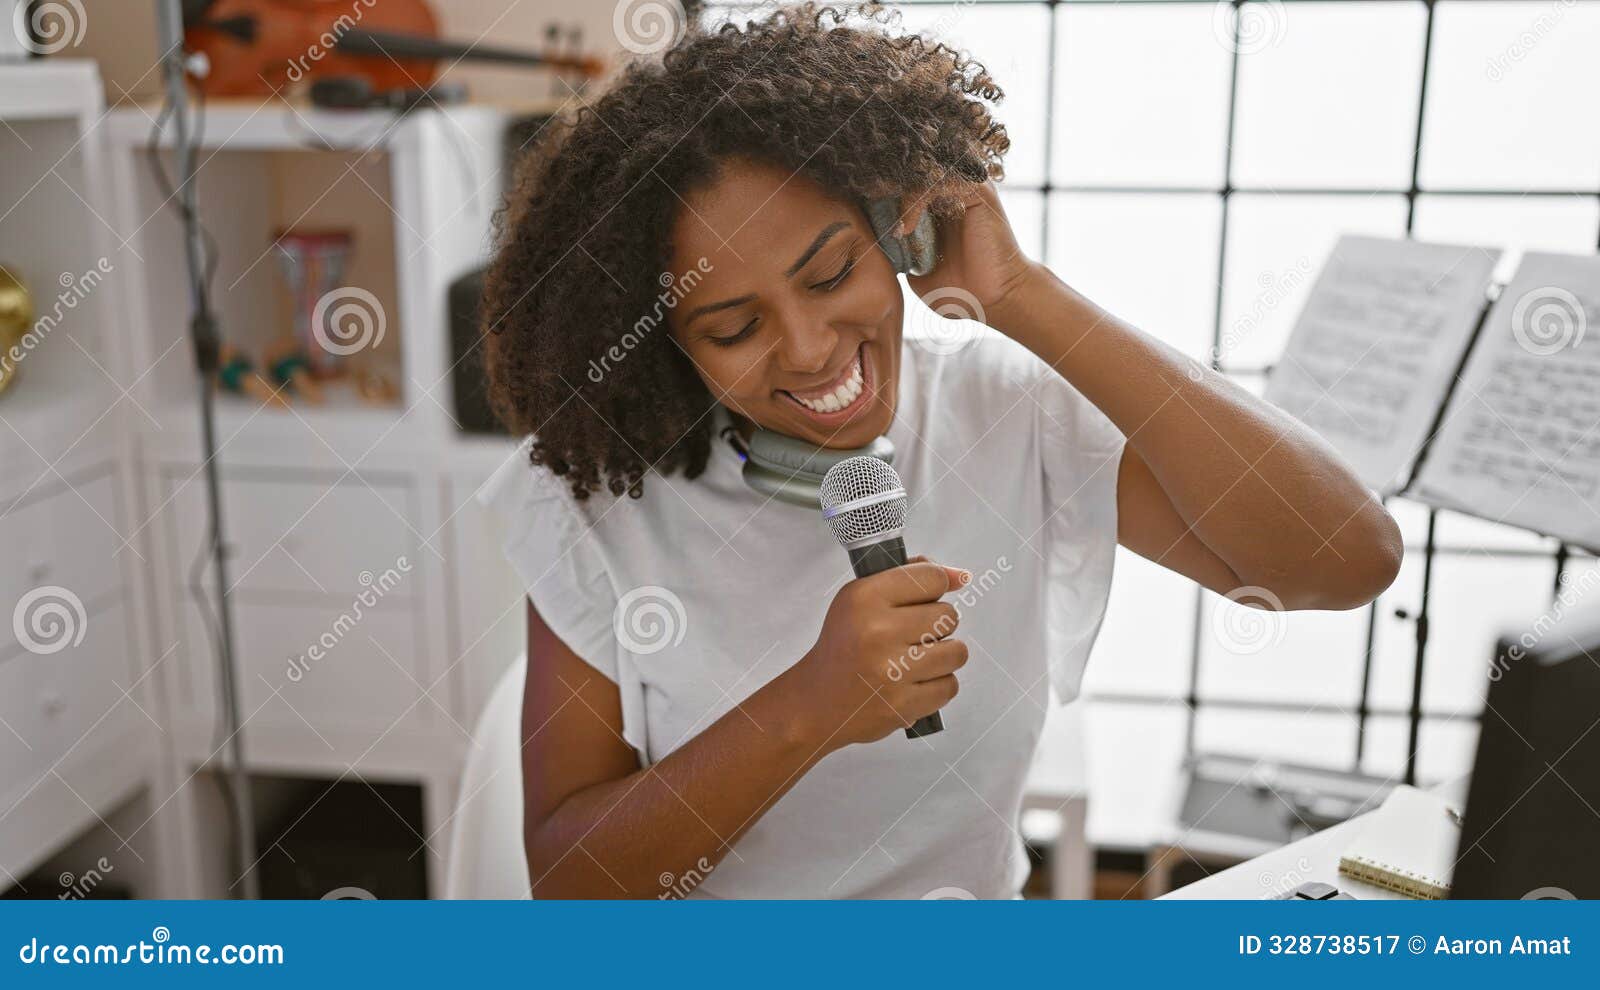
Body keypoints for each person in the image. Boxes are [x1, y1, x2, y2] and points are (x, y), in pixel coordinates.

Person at [477, 2, 1401, 899]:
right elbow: (572, 888)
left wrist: (1021, 296)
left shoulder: (1008, 416)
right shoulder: (594, 500)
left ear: (896, 228)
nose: (808, 349)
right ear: (663, 341)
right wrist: (813, 707)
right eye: (732, 327)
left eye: (833, 272)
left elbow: (1347, 560)